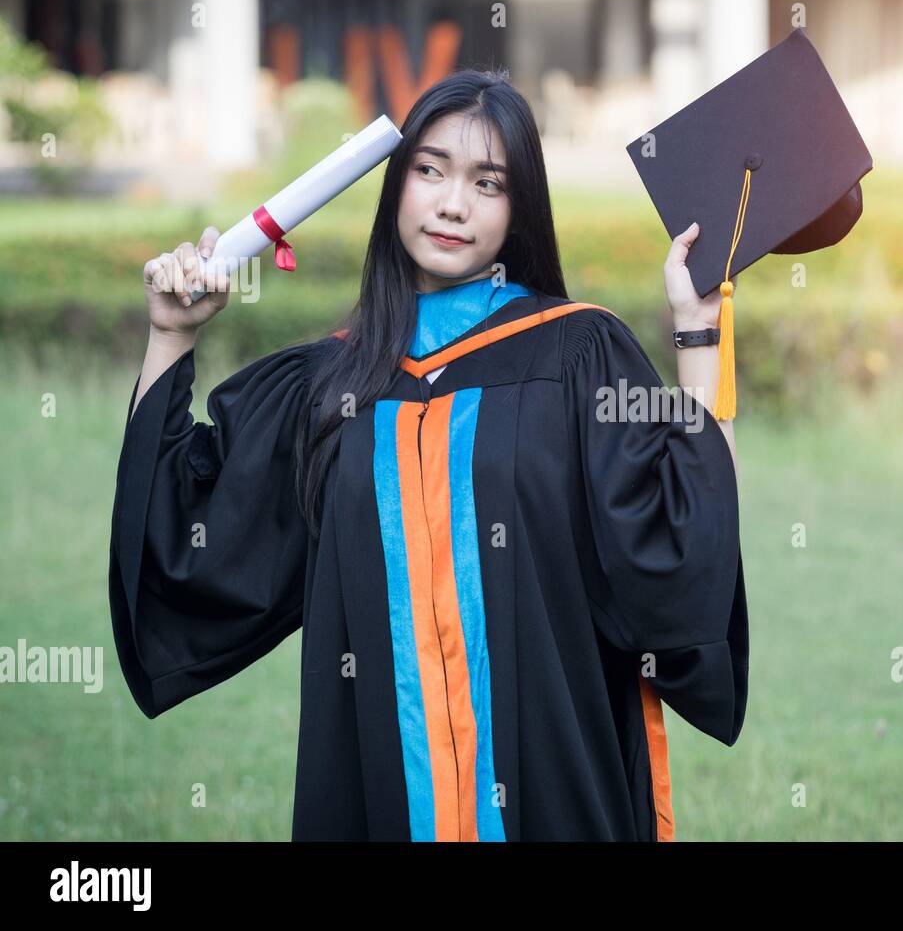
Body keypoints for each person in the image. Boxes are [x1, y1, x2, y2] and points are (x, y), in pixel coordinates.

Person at [109, 69, 748, 841]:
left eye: (489, 182)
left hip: (550, 785)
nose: (453, 204)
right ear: (396, 184)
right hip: (381, 785)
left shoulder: (577, 353)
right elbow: (188, 541)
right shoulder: (328, 385)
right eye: (430, 169)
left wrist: (696, 333)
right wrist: (172, 336)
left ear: (520, 211)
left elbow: (687, 538)